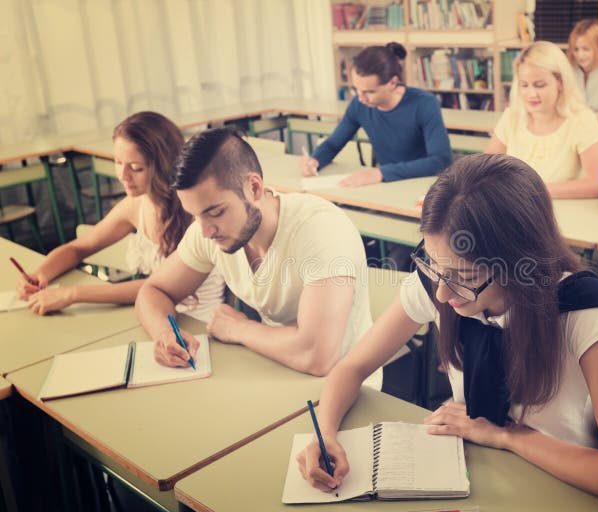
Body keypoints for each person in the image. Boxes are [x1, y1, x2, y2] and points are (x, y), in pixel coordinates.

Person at [296, 153, 598, 510]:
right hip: (477, 474)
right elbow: (352, 367)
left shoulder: (581, 311)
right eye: (434, 265)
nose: (441, 293)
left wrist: (505, 436)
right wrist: (325, 432)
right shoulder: (441, 281)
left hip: (565, 486)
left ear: (520, 265)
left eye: (464, 278)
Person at [135, 128, 372, 377]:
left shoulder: (320, 229)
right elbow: (153, 292)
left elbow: (317, 356)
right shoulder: (209, 231)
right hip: (275, 368)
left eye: (215, 212)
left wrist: (239, 329)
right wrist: (164, 334)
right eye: (194, 214)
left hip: (346, 384)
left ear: (255, 188)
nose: (204, 230)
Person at [16, 111, 225, 321]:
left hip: (198, 322)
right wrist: (40, 274)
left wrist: (72, 294)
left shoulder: (194, 212)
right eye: (117, 162)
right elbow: (78, 248)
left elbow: (158, 286)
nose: (123, 176)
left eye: (136, 168)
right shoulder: (136, 205)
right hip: (157, 316)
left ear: (163, 166)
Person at [298, 42, 452, 187]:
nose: (361, 98)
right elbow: (333, 144)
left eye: (370, 92)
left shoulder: (424, 103)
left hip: (423, 185)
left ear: (393, 83)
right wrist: (315, 160)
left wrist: (381, 173)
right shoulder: (359, 104)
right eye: (357, 90)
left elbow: (440, 161)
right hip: (387, 185)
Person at [484, 41, 598, 199]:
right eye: (524, 85)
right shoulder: (511, 116)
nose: (531, 94)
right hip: (517, 209)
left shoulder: (582, 120)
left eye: (540, 85)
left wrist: (530, 192)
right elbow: (485, 170)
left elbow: (597, 185)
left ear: (560, 82)